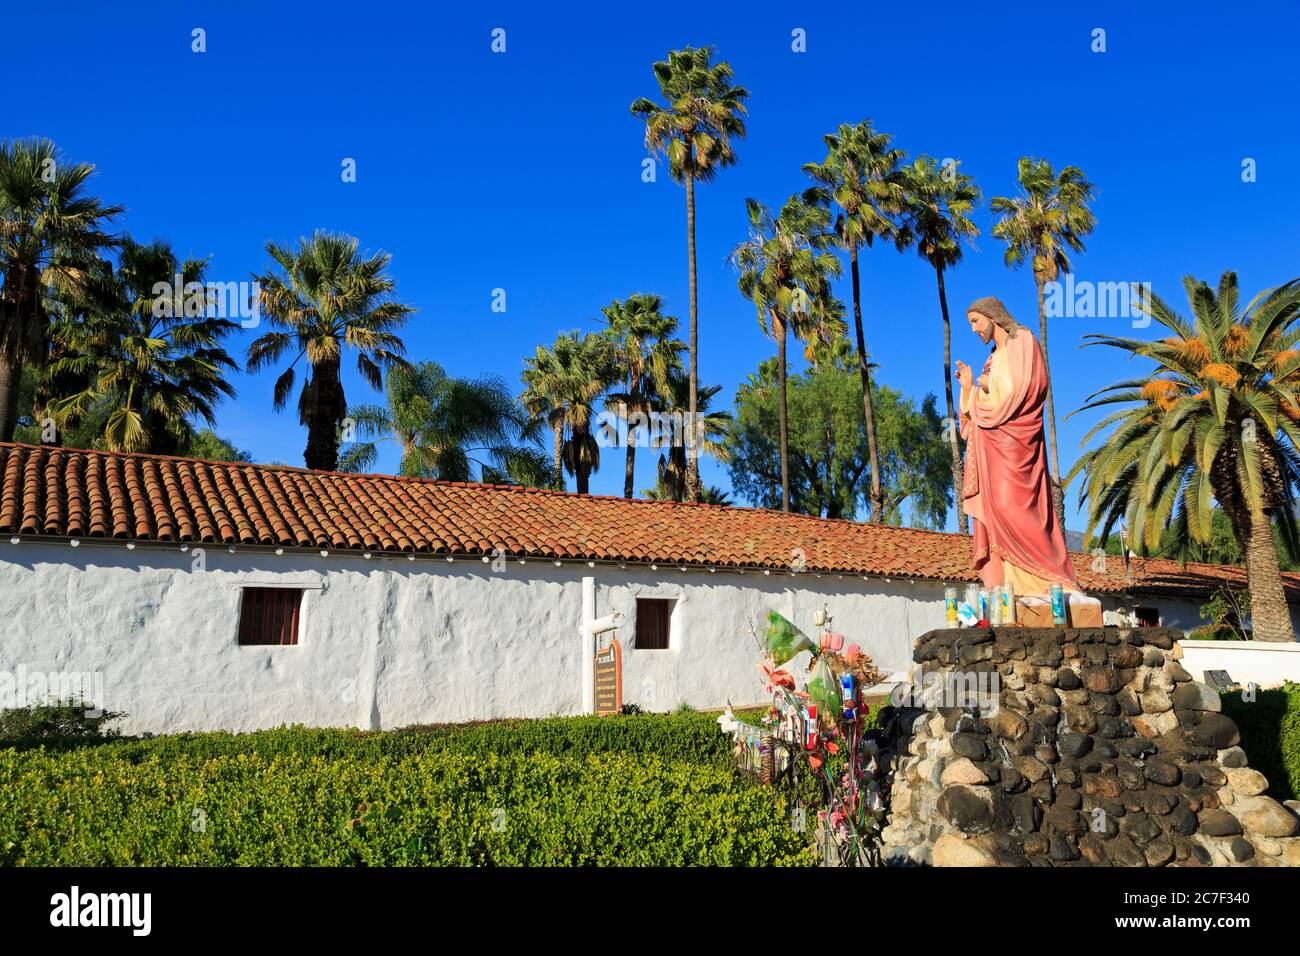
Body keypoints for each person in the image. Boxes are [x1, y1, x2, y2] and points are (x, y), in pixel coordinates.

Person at [956, 296, 1082, 598]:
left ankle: (1052, 581)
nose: (973, 330)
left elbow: (1025, 389)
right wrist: (971, 390)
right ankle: (1012, 589)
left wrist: (983, 391)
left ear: (992, 315)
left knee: (1018, 508)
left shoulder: (1023, 341)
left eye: (975, 321)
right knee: (997, 509)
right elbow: (976, 419)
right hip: (993, 449)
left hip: (1018, 445)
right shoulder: (992, 358)